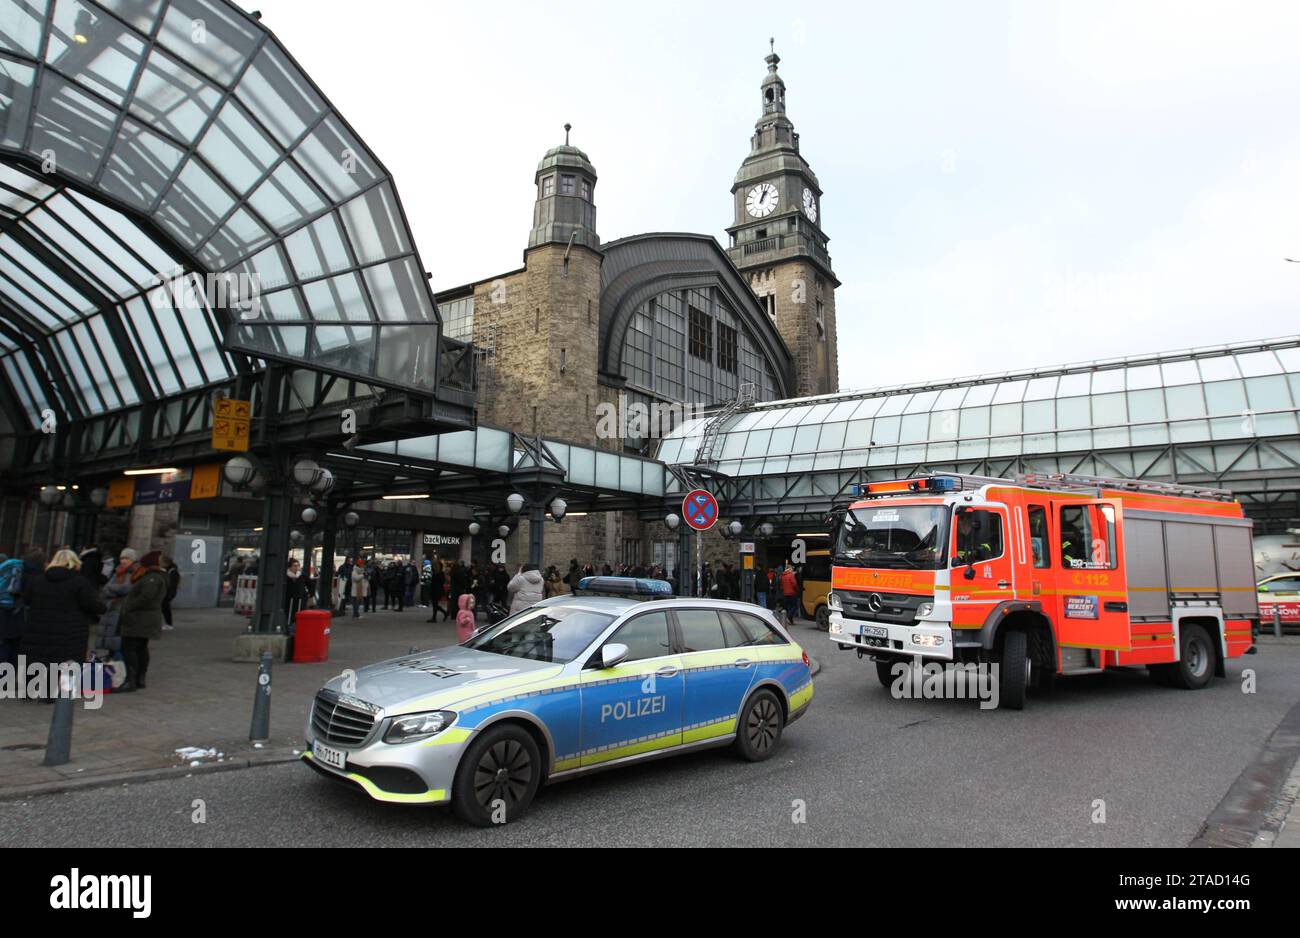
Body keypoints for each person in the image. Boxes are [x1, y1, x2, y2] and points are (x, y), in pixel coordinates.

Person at [19, 549, 105, 701]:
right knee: (60, 659)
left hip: (39, 626)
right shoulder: (79, 582)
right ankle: (49, 693)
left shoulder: (38, 580)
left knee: (38, 656)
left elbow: (26, 600)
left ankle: (29, 689)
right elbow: (93, 605)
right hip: (69, 629)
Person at [117, 550, 168, 692]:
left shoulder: (152, 578)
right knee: (139, 648)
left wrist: (129, 606)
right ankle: (138, 678)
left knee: (130, 648)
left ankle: (132, 679)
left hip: (140, 618)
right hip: (144, 618)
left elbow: (146, 597)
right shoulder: (153, 577)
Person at [1, 548, 45, 670]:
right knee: (16, 649)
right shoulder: (38, 577)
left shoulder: (16, 569)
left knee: (5, 645)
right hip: (23, 617)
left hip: (6, 612)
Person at [285, 558, 309, 624]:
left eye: (298, 566)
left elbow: (310, 584)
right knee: (289, 613)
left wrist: (308, 594)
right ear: (290, 567)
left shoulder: (302, 575)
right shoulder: (286, 576)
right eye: (294, 566)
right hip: (289, 599)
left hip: (300, 598)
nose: (297, 567)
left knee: (300, 614)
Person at [161, 555, 180, 631]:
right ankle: (168, 624)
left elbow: (172, 584)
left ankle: (169, 624)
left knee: (165, 608)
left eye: (161, 562)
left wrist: (169, 595)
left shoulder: (172, 571)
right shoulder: (168, 570)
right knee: (165, 608)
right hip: (167, 593)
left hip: (168, 593)